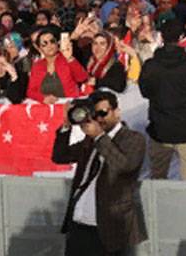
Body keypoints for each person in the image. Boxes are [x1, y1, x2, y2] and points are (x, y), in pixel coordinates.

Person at [52, 90, 147, 256]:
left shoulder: (133, 138)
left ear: (117, 112)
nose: (100, 118)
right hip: (78, 224)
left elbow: (124, 166)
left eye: (104, 112)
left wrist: (99, 137)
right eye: (95, 114)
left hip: (110, 227)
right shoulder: (90, 140)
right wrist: (66, 125)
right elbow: (60, 156)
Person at [138, 20, 186, 180]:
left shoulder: (150, 66)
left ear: (161, 37)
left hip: (160, 129)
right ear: (181, 37)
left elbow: (145, 92)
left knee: (158, 178)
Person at [27, 28, 88, 103]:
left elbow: (82, 78)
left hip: (68, 103)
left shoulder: (67, 58)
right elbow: (30, 92)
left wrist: (69, 58)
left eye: (52, 41)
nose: (49, 45)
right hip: (46, 106)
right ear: (39, 49)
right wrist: (43, 98)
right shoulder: (37, 66)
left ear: (57, 43)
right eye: (44, 44)